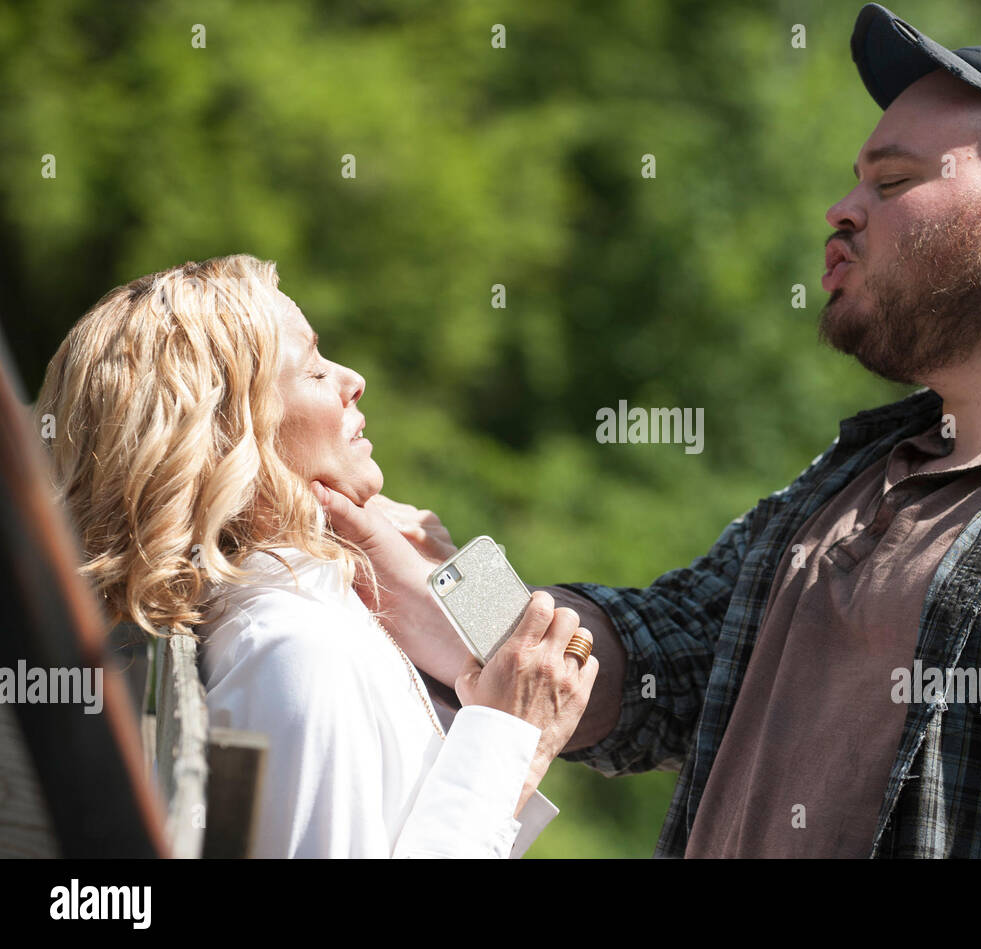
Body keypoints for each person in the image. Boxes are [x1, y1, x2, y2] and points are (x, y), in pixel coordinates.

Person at [320, 2, 981, 859]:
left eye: (892, 180)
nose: (840, 210)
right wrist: (453, 577)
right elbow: (648, 667)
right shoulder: (856, 475)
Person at [35, 254, 598, 857]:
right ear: (231, 439)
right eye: (312, 372)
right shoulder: (296, 652)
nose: (352, 377)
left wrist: (453, 597)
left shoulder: (309, 615)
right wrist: (510, 740)